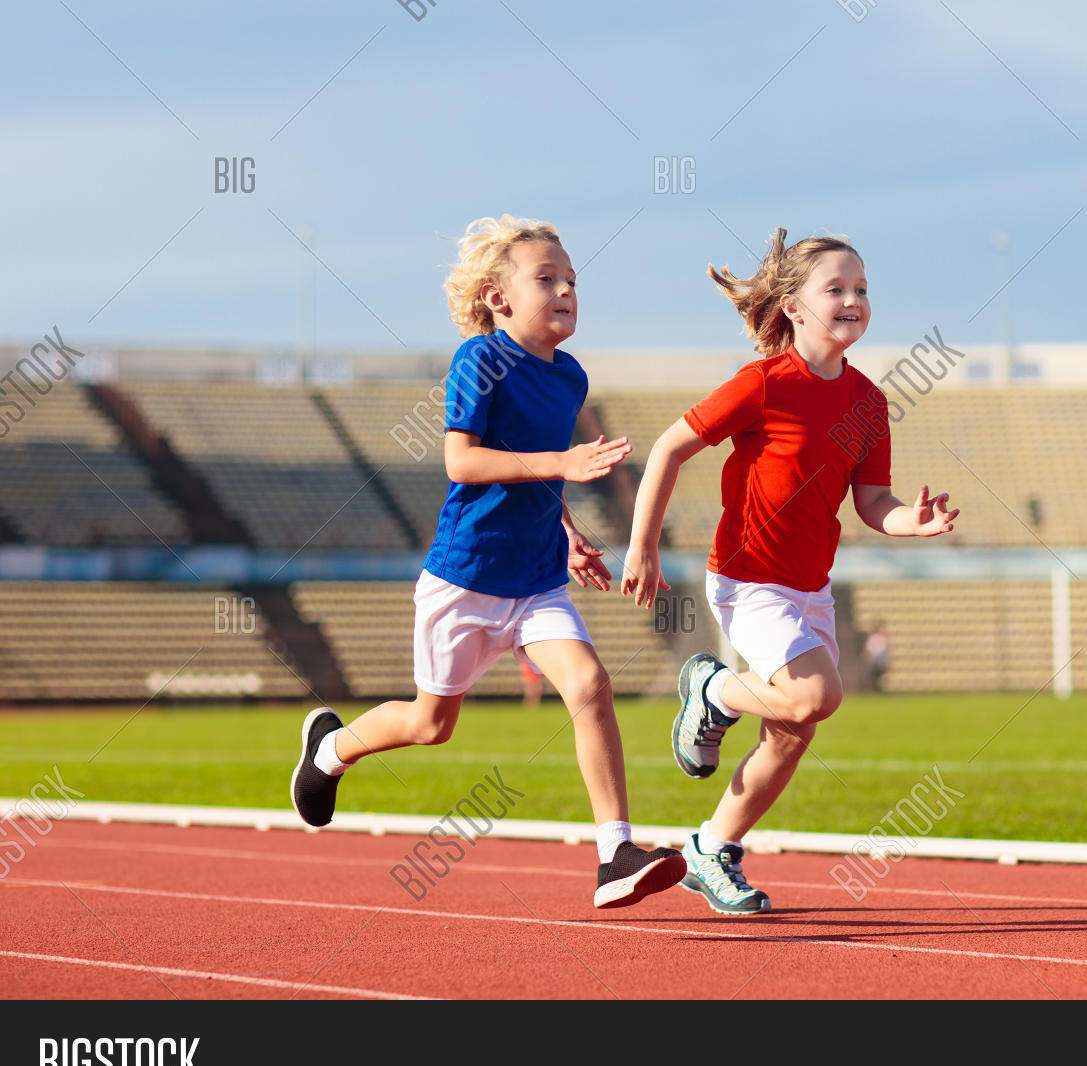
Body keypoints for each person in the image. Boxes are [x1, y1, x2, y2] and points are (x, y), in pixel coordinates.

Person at [292, 214, 686, 909]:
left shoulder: (570, 379)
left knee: (591, 686)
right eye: (547, 279)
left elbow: (540, 476)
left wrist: (566, 533)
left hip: (536, 580)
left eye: (572, 280)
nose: (566, 290)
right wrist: (561, 462)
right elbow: (462, 459)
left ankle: (614, 853)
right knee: (429, 725)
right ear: (499, 298)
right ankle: (328, 752)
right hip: (465, 577)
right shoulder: (481, 360)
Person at [621, 228, 958, 915]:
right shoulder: (763, 384)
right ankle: (714, 692)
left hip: (811, 587)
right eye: (835, 288)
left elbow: (872, 502)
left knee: (793, 732)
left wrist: (910, 522)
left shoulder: (867, 401)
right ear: (794, 307)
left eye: (862, 289)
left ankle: (710, 850)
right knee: (814, 698)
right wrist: (643, 546)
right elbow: (669, 447)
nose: (853, 300)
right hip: (748, 579)